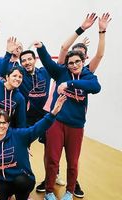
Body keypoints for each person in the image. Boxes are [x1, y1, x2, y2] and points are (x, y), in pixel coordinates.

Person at [35, 41, 101, 200]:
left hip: (76, 126)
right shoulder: (60, 72)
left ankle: (70, 191)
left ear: (83, 61)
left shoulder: (88, 76)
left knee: (73, 163)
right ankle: (49, 191)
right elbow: (47, 62)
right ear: (67, 64)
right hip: (56, 123)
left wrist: (69, 83)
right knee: (52, 160)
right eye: (70, 63)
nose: (73, 65)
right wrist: (41, 47)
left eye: (77, 61)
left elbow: (96, 87)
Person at [0, 95, 67, 200]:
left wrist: (53, 113)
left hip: (23, 179)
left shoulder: (19, 135)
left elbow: (37, 128)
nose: (1, 126)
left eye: (4, 123)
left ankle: (24, 197)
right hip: (4, 181)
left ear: (8, 124)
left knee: (21, 182)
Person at [18, 50, 66, 192]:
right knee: (22, 147)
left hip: (46, 116)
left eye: (29, 59)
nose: (27, 62)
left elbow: (59, 63)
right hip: (27, 118)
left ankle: (53, 175)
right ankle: (21, 176)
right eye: (24, 60)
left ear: (35, 60)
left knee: (51, 148)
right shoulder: (20, 75)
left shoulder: (45, 71)